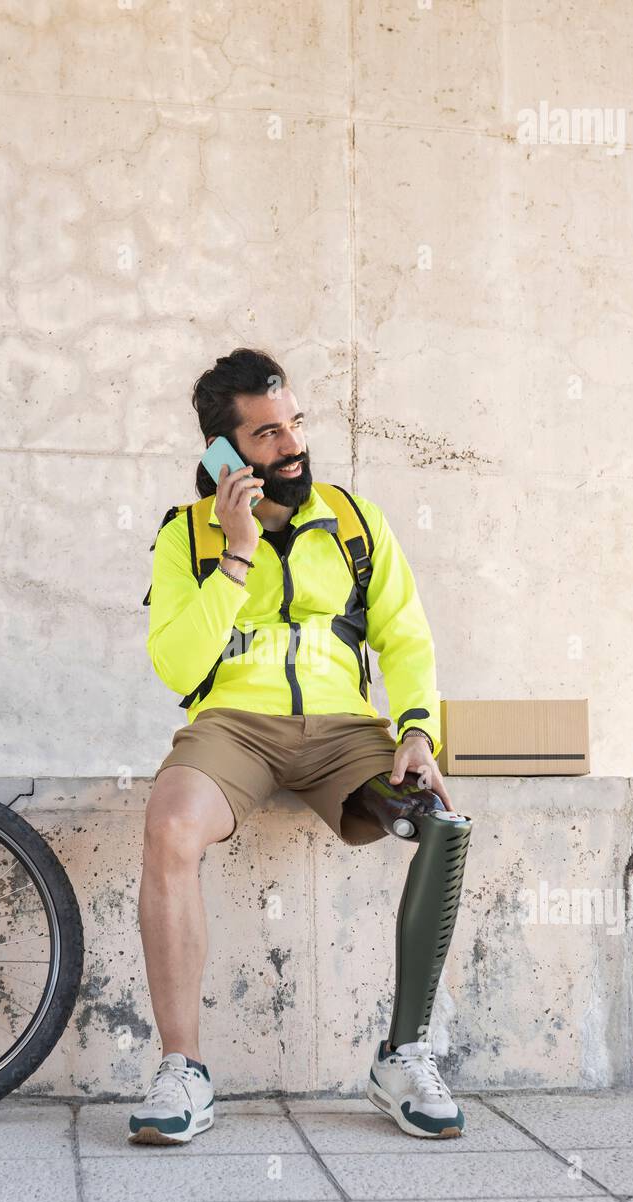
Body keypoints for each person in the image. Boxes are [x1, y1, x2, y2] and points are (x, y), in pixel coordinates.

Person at [131, 348, 471, 1146]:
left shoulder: (355, 521)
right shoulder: (186, 535)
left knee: (443, 827)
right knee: (169, 825)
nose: (289, 446)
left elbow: (405, 637)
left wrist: (418, 729)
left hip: (343, 731)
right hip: (234, 726)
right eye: (266, 434)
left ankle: (403, 1055)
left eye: (294, 426)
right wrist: (236, 547)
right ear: (225, 453)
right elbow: (176, 664)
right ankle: (183, 1070)